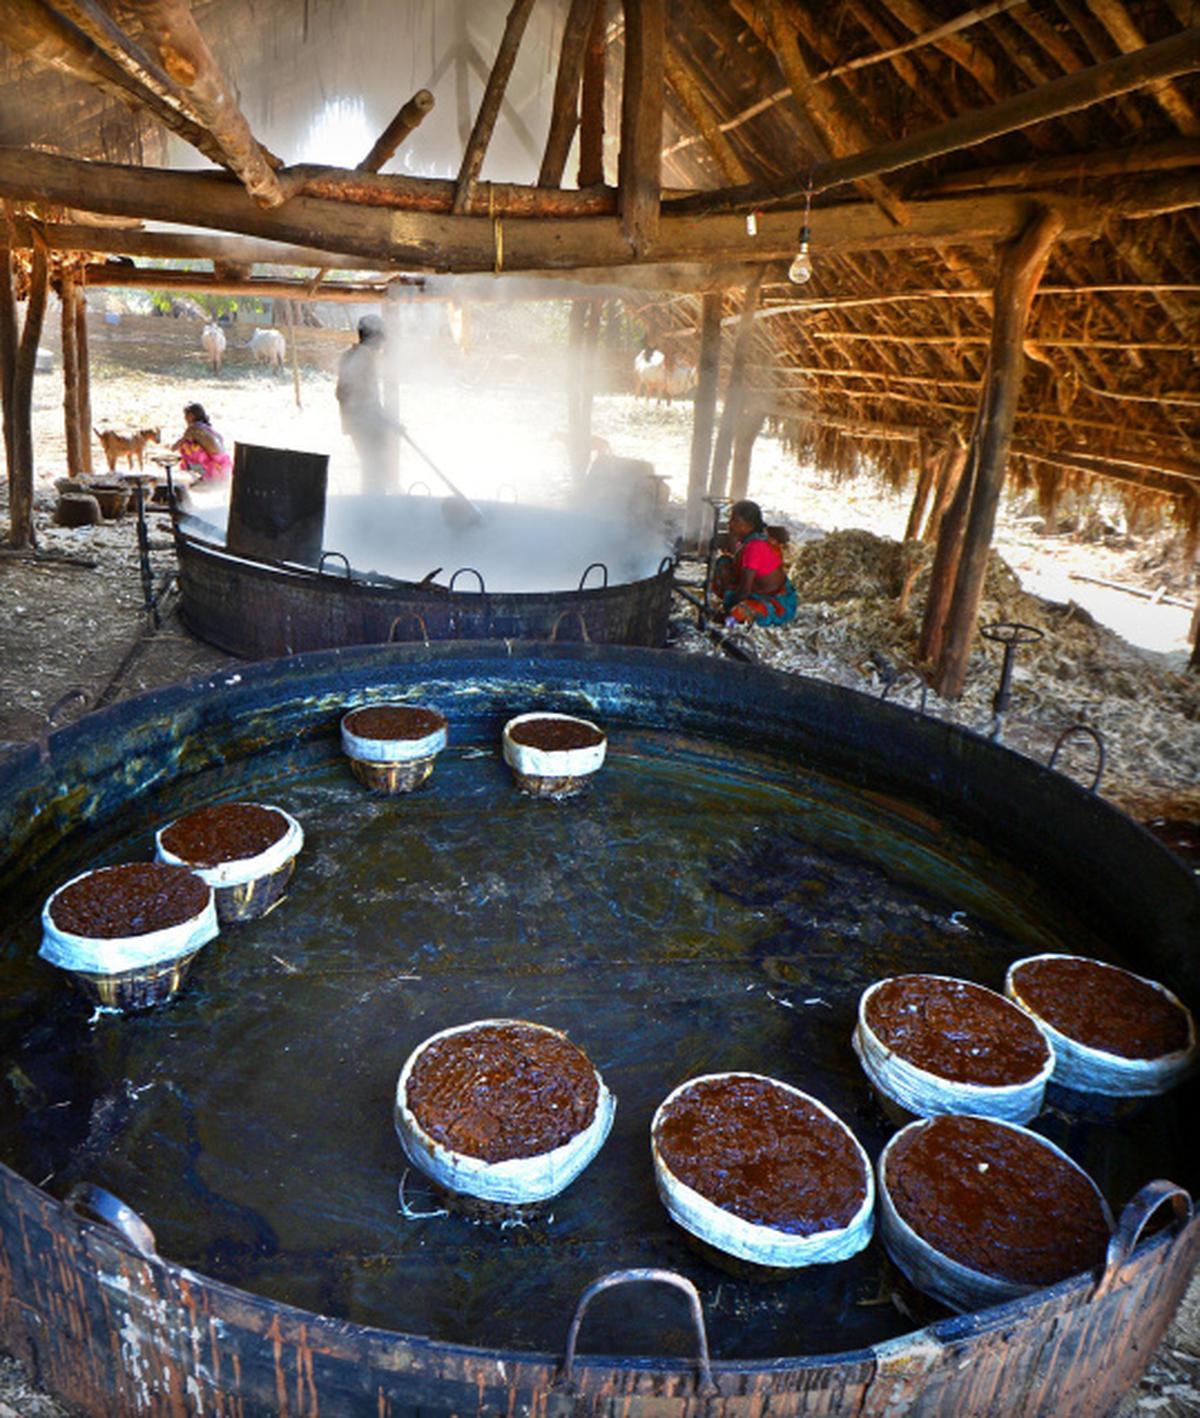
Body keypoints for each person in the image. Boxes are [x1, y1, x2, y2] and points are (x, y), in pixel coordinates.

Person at [711, 499, 798, 628]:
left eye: (735, 521)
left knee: (740, 612)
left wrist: (726, 609)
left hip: (774, 600)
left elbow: (744, 591)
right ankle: (730, 606)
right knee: (723, 563)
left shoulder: (755, 547)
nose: (730, 524)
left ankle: (730, 619)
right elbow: (737, 556)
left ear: (748, 525)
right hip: (756, 588)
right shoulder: (755, 537)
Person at [336, 314, 397, 495]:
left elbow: (344, 393)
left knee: (371, 468)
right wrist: (383, 419)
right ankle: (374, 508)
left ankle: (371, 506)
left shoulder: (349, 355)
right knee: (375, 470)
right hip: (365, 424)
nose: (383, 342)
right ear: (375, 336)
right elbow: (365, 397)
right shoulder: (365, 359)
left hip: (356, 423)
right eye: (381, 336)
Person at [172, 402, 232, 483]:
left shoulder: (193, 428)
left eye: (185, 415)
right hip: (224, 463)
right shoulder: (206, 427)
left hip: (213, 467)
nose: (184, 418)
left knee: (186, 448)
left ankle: (198, 477)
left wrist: (173, 448)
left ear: (191, 416)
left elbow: (175, 447)